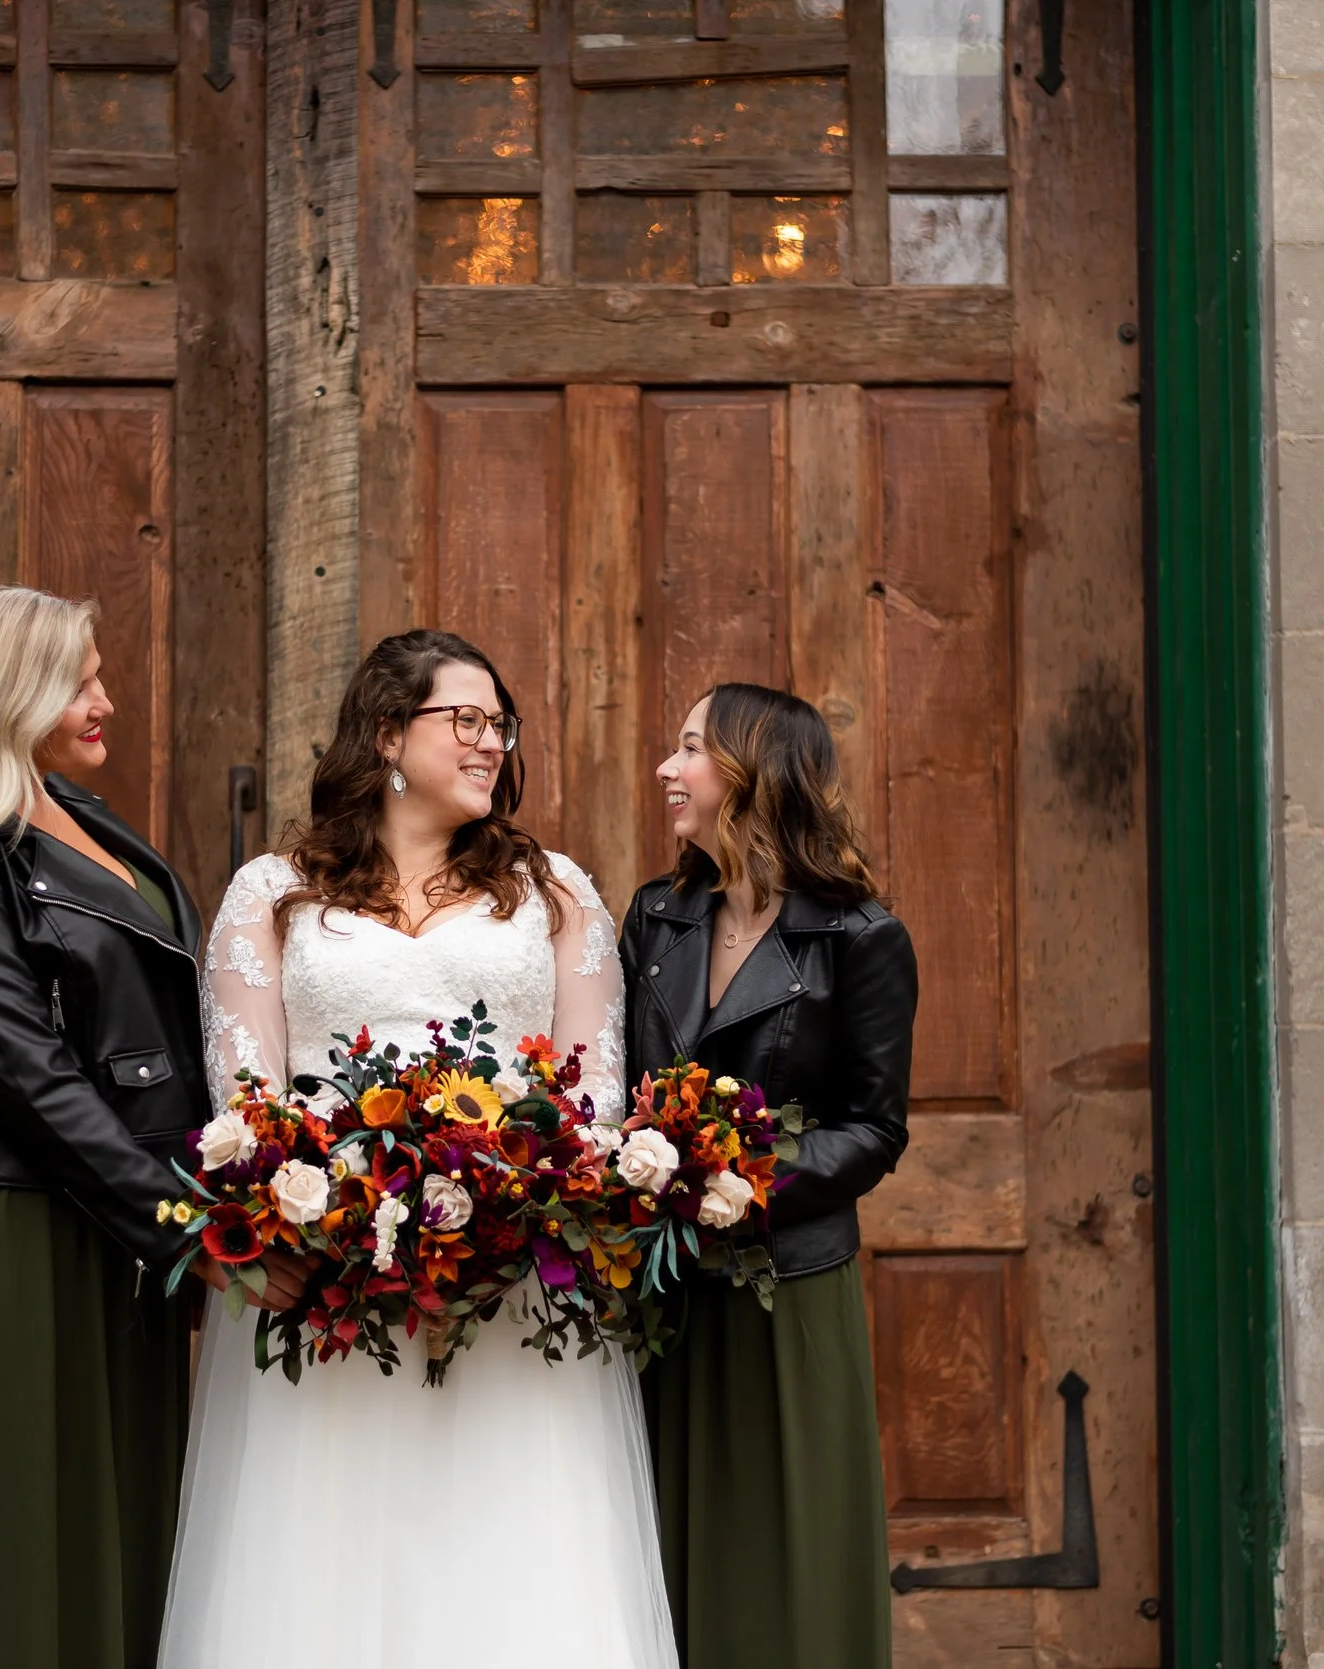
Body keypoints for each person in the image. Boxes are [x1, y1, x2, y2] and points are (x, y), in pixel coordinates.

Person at [161, 629, 676, 1668]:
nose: (490, 744)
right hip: (327, 1289)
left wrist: (503, 1216)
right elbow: (247, 1110)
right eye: (467, 721)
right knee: (322, 1561)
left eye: (500, 725)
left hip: (509, 1286)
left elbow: (594, 1102)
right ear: (389, 732)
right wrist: (323, 1220)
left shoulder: (556, 891)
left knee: (511, 1552)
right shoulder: (272, 893)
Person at [0, 586, 282, 1669]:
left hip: (111, 1236)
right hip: (11, 1237)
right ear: (13, 692)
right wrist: (194, 1229)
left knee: (111, 1533)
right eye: (82, 679)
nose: (108, 699)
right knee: (7, 1551)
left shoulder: (81, 819)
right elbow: (32, 1086)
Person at [621, 682, 917, 1669]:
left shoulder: (861, 937)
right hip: (660, 1288)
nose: (668, 768)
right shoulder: (656, 919)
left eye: (691, 748)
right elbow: (621, 1086)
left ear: (754, 772)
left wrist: (746, 1184)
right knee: (658, 1536)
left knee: (788, 1549)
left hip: (785, 1286)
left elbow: (873, 1129)